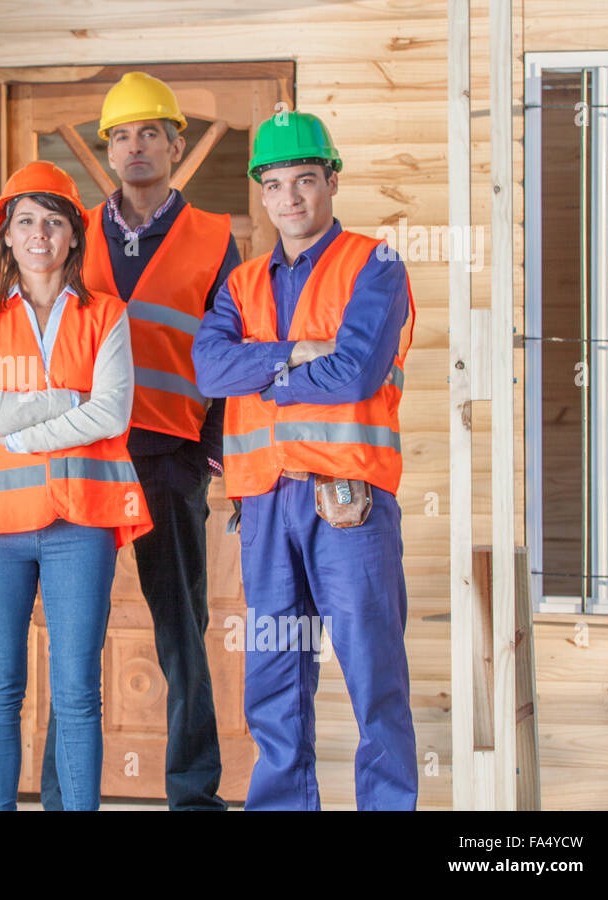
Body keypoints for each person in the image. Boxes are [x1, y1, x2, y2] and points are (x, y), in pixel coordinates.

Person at [191, 111, 418, 810]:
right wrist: (293, 353)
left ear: (331, 181)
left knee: (373, 674)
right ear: (261, 192)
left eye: (306, 181)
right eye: (277, 184)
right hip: (262, 505)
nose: (291, 198)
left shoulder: (374, 264)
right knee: (274, 680)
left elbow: (353, 374)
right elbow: (208, 367)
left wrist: (259, 373)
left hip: (348, 503)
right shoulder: (242, 283)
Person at [42, 71, 240, 811]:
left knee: (182, 631)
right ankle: (64, 796)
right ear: (109, 150)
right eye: (121, 136)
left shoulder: (215, 237)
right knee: (74, 640)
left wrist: (207, 451)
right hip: (88, 459)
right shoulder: (72, 235)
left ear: (175, 144)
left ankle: (194, 796)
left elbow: (230, 352)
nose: (134, 147)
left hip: (168, 457)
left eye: (149, 133)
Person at [0, 160, 153, 811]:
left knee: (76, 692)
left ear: (74, 236)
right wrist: (61, 399)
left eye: (55, 222)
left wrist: (23, 428)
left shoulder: (107, 317)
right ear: (7, 234)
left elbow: (111, 412)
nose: (41, 233)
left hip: (80, 525)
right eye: (27, 221)